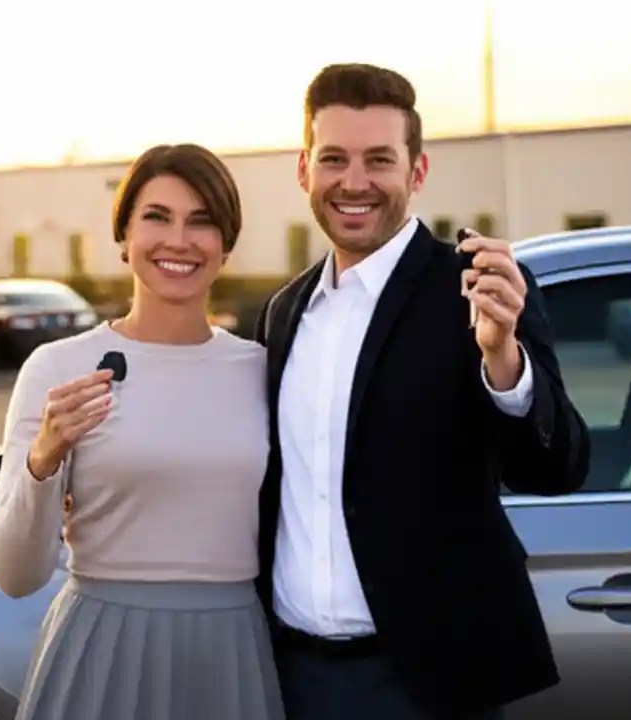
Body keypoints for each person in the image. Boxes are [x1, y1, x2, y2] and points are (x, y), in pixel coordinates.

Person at [253, 63, 591, 720]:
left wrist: (503, 359)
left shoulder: (477, 286)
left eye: (379, 159)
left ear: (417, 172)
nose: (354, 183)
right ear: (304, 171)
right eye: (334, 159)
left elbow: (557, 466)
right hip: (294, 680)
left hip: (429, 687)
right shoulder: (284, 312)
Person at [0, 143, 285, 720]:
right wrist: (43, 459)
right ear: (123, 237)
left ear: (226, 243)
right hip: (101, 649)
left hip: (230, 653)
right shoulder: (56, 367)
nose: (178, 240)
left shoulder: (262, 369)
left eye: (202, 221)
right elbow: (15, 576)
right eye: (156, 217)